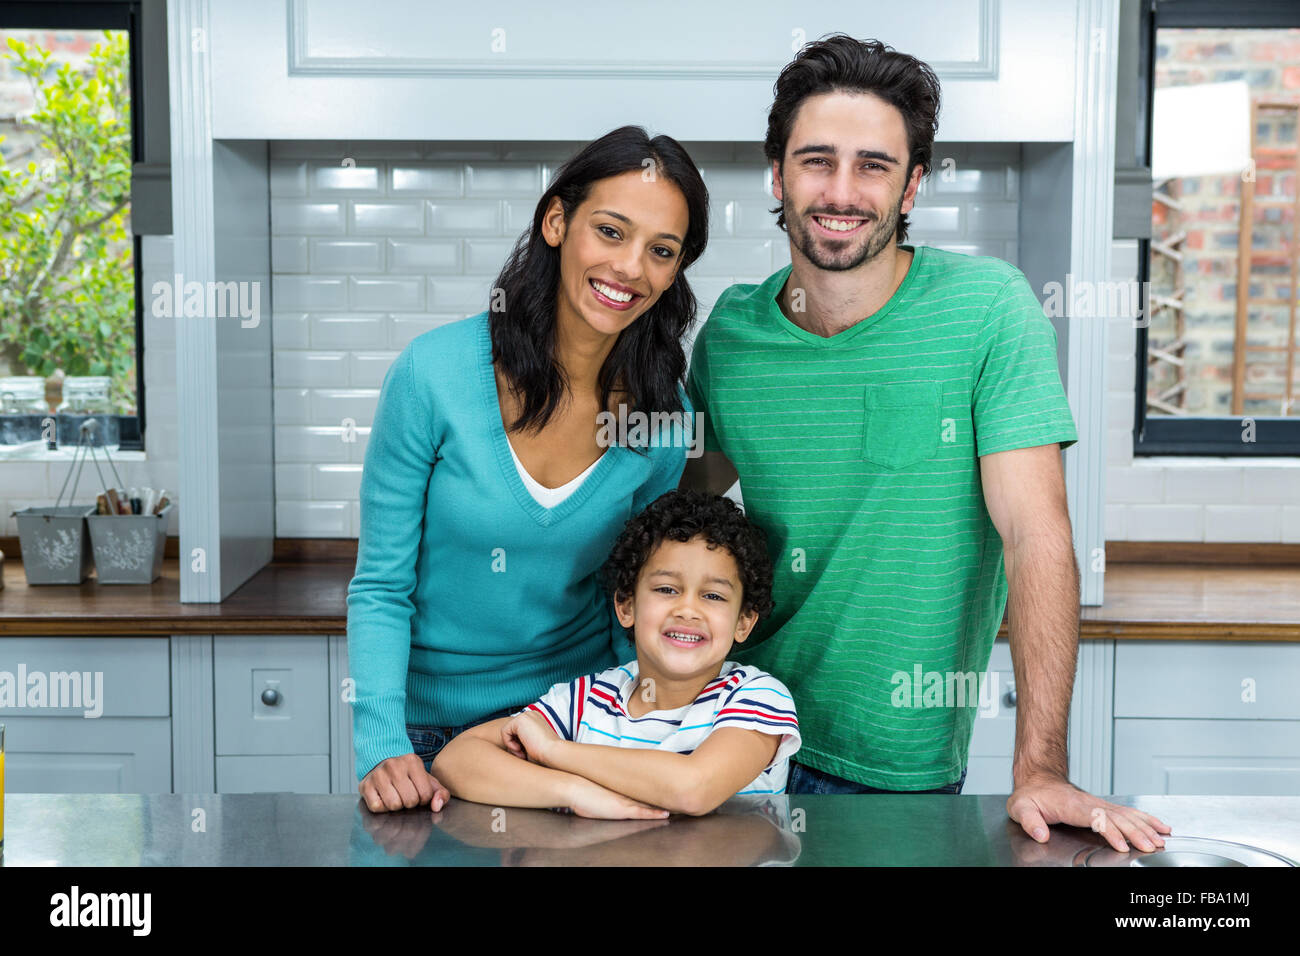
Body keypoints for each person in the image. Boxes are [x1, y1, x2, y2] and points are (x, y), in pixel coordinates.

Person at [681, 35, 1170, 853]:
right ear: (777, 174)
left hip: (888, 765)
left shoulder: (987, 310)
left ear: (911, 186)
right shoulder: (730, 332)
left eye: (873, 165)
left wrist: (1040, 767)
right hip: (725, 738)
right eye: (816, 160)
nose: (841, 190)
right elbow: (677, 516)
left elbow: (1034, 535)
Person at [347, 126, 709, 814]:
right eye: (611, 231)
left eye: (661, 251)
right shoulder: (434, 375)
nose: (631, 267)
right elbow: (381, 586)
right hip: (422, 740)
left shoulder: (661, 419)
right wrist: (382, 743)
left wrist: (633, 727)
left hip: (566, 729)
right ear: (556, 221)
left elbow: (623, 599)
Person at [431, 489, 800, 818]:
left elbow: (693, 788)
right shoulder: (585, 700)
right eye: (667, 589)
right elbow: (455, 760)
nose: (688, 610)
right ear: (625, 606)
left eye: (713, 596)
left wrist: (554, 753)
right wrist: (573, 792)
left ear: (744, 622)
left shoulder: (756, 697)